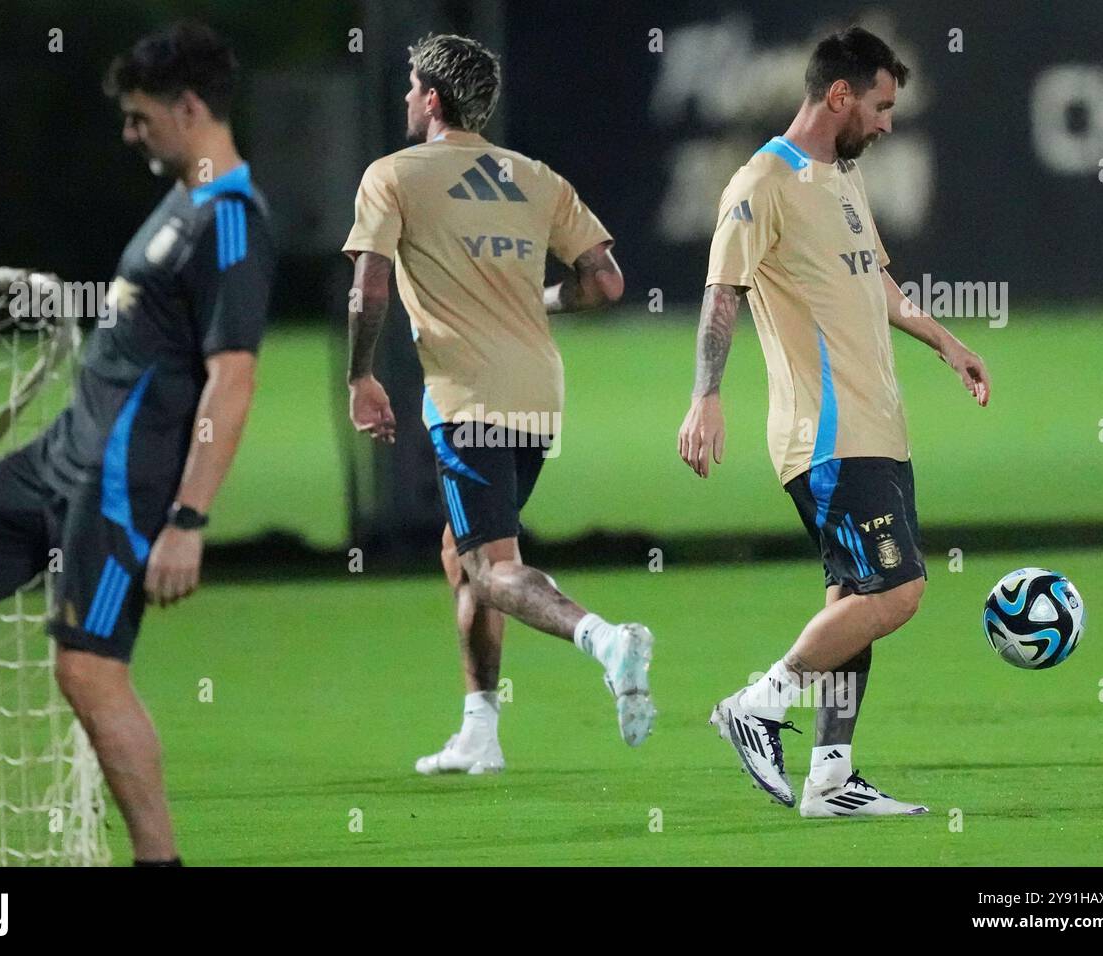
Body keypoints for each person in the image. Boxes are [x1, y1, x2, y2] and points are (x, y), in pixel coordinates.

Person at [0, 20, 275, 862]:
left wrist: (188, 519)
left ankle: (161, 861)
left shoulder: (232, 222)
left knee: (86, 671)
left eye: (140, 116)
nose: (129, 132)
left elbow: (233, 378)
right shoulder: (183, 199)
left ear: (189, 107)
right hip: (65, 454)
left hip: (125, 478)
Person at [677, 26, 991, 817]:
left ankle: (830, 776)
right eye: (881, 106)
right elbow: (723, 294)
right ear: (839, 95)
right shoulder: (760, 183)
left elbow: (875, 283)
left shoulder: (842, 177)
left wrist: (944, 341)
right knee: (900, 588)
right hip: (826, 434)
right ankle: (758, 703)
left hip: (877, 426)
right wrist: (706, 396)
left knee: (854, 600)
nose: (888, 124)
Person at [342, 33, 654, 775]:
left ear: (433, 99)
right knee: (464, 555)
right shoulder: (534, 177)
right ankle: (480, 730)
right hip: (539, 395)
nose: (406, 97)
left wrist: (360, 376)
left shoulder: (393, 176)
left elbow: (370, 287)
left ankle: (606, 641)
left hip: (469, 396)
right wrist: (536, 298)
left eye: (413, 86)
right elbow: (605, 282)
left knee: (489, 567)